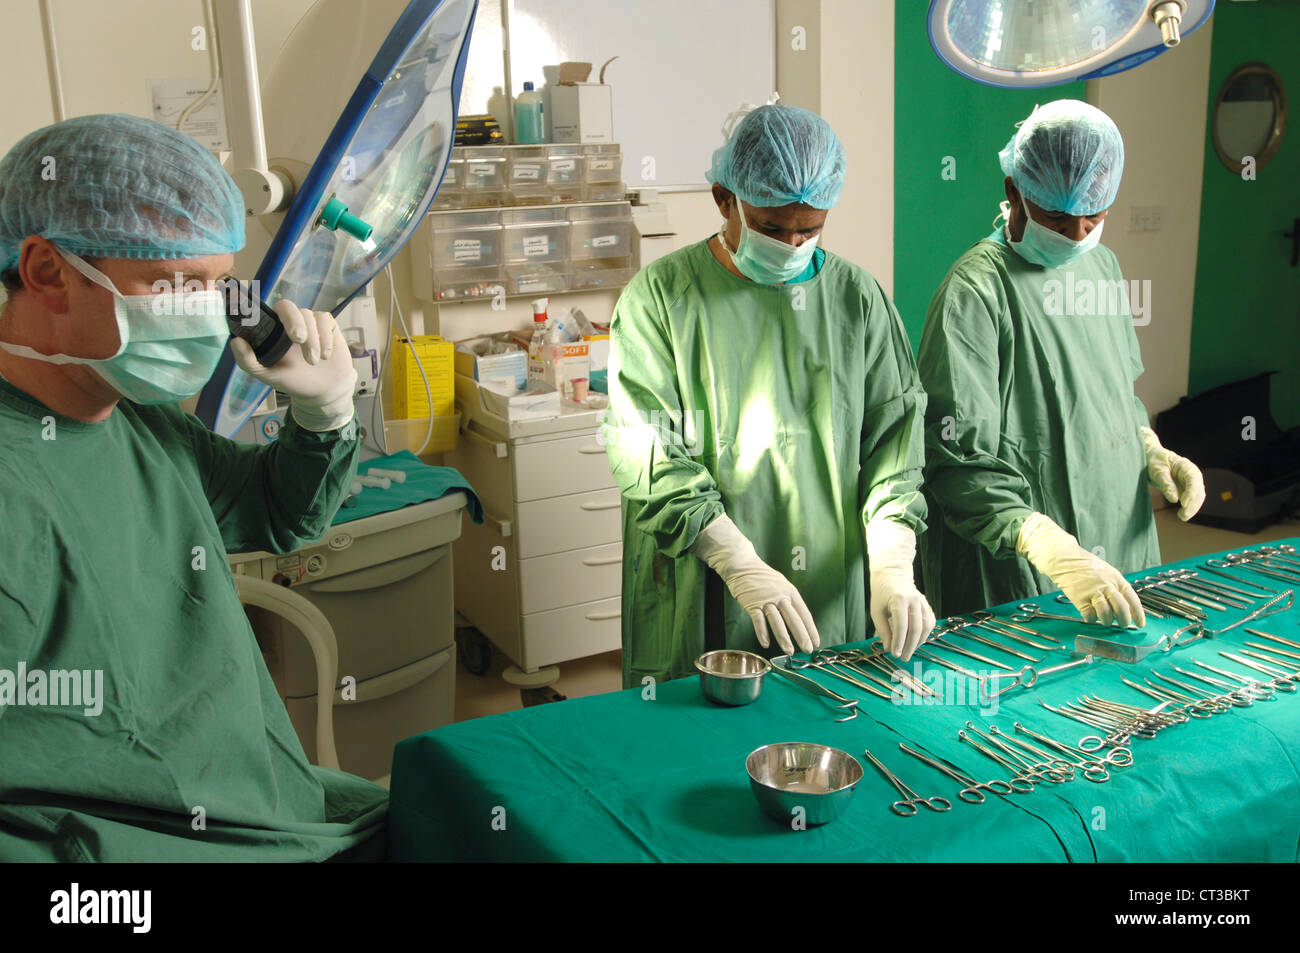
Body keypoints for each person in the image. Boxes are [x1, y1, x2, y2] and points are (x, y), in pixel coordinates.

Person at [0, 114, 386, 861]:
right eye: (173, 284)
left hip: (275, 811)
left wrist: (322, 413)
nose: (206, 315)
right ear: (47, 271)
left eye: (219, 285)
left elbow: (276, 513)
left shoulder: (144, 422)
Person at [604, 104, 934, 688]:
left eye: (810, 230)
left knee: (825, 740)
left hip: (827, 591)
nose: (792, 244)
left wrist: (890, 565)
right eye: (771, 228)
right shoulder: (660, 297)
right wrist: (737, 561)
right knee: (694, 753)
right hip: (698, 589)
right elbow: (646, 453)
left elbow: (895, 444)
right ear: (724, 199)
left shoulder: (857, 298)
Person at [917, 100, 1205, 626]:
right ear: (1014, 192)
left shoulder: (1103, 265)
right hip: (1020, 564)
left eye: (1093, 216)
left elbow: (1111, 389)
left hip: (1122, 532)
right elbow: (952, 456)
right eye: (1056, 217)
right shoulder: (975, 292)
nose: (1076, 235)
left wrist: (1150, 446)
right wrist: (1043, 542)